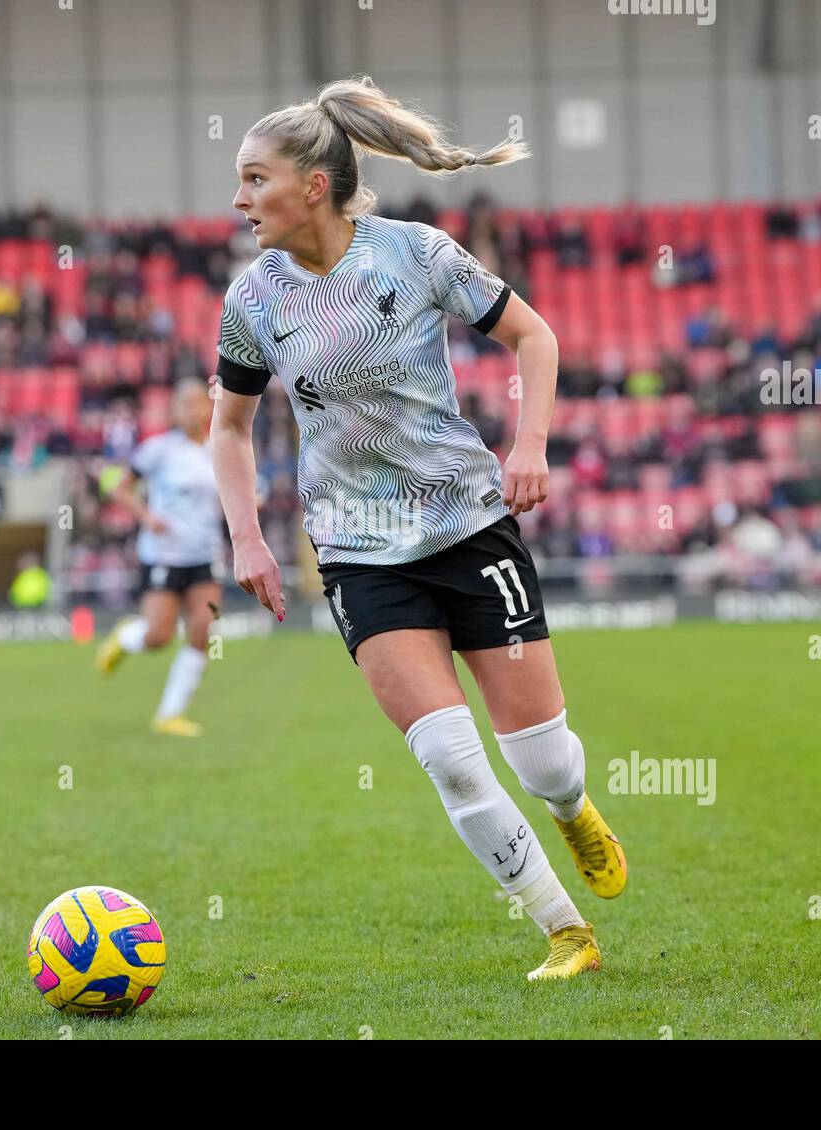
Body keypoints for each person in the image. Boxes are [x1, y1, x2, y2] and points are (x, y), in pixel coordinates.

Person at [209, 75, 626, 982]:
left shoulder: (416, 254)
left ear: (313, 185)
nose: (238, 201)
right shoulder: (252, 301)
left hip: (470, 526)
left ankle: (571, 806)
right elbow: (230, 427)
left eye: (254, 179)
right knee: (449, 757)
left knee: (542, 760)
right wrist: (246, 535)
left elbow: (536, 337)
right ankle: (566, 933)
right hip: (359, 553)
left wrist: (530, 445)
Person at [95, 378, 223, 737]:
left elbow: (245, 489)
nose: (193, 410)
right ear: (174, 411)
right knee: (158, 637)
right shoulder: (159, 450)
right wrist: (146, 517)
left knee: (203, 630)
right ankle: (125, 637)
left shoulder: (220, 448)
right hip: (164, 554)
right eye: (185, 404)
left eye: (199, 403)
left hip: (206, 554)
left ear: (209, 408)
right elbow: (118, 488)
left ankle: (170, 714)